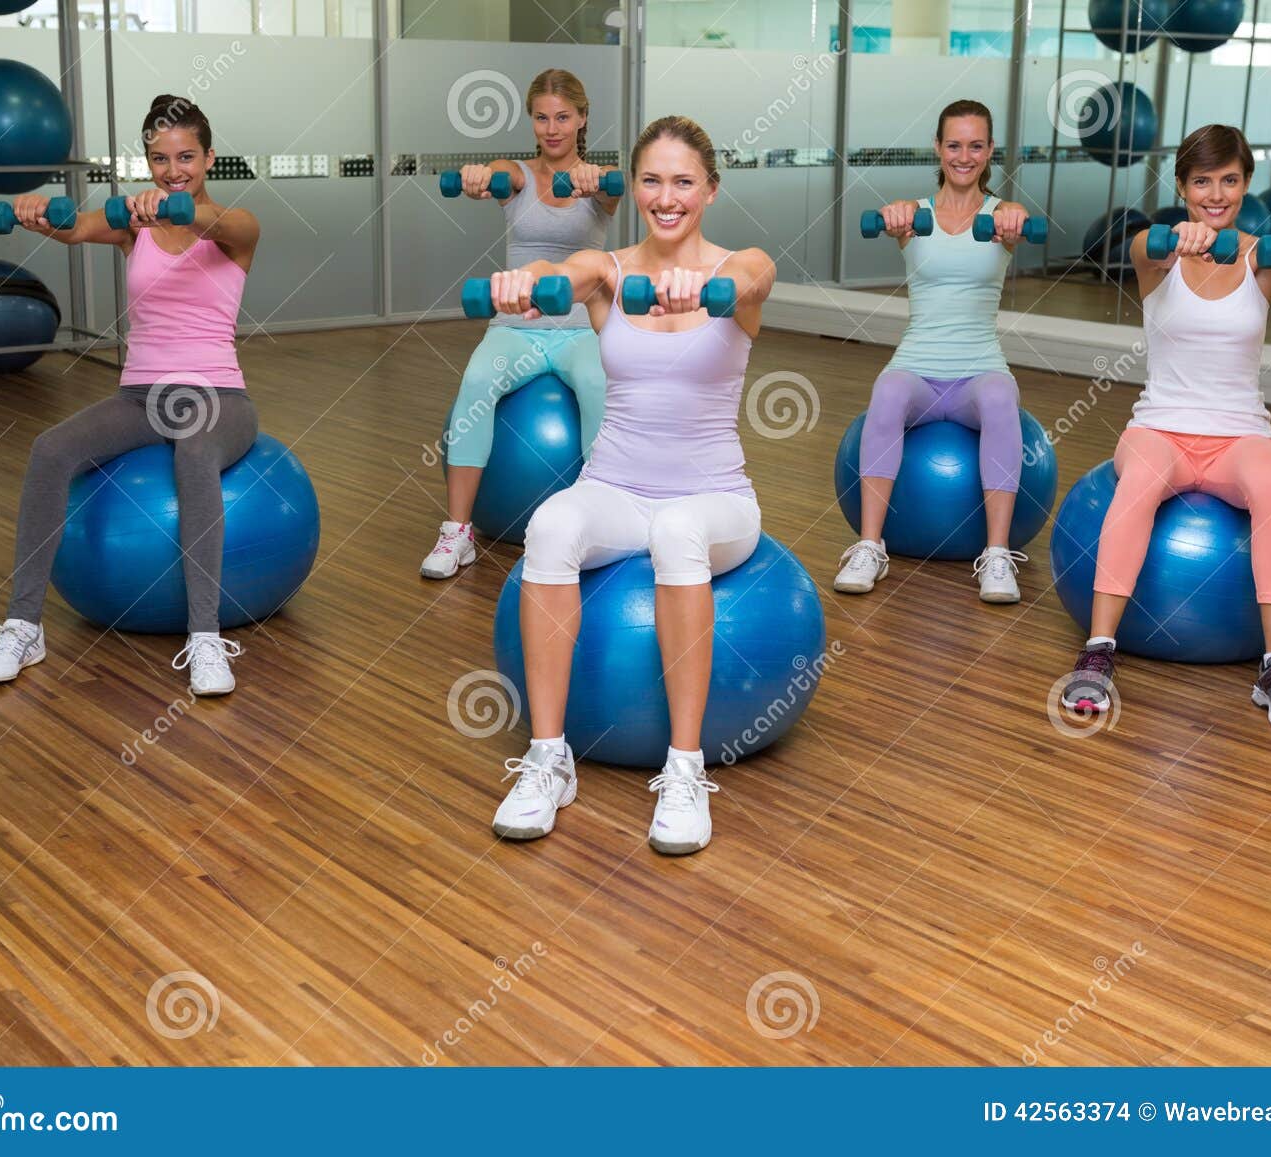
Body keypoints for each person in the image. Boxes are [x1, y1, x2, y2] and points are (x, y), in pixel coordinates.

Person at [480, 116, 775, 854]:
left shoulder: (744, 266)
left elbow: (749, 280)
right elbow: (568, 277)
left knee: (678, 531)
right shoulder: (609, 270)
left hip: (715, 499)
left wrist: (701, 286)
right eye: (651, 180)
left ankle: (683, 770)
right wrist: (528, 283)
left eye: (683, 181)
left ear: (710, 188)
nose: (665, 197)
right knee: (550, 522)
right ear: (634, 185)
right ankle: (550, 760)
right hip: (617, 484)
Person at [0, 94, 260, 697]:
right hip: (140, 396)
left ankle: (204, 638)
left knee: (196, 454)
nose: (173, 169)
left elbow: (216, 222)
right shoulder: (135, 223)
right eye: (159, 158)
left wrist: (174, 209)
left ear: (209, 158)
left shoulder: (238, 227)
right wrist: (37, 213)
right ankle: (24, 626)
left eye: (186, 157)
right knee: (51, 450)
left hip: (219, 396)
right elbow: (74, 227)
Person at [1060, 123, 1271, 732]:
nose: (1216, 194)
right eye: (1202, 181)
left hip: (1240, 434)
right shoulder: (1153, 253)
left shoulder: (1262, 257)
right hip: (1161, 427)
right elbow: (1148, 251)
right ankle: (1099, 652)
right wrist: (1173, 239)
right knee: (1137, 486)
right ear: (1181, 186)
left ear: (1246, 184)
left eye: (1229, 180)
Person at [420, 68, 621, 579]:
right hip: (517, 327)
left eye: (562, 117)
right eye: (540, 117)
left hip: (581, 329)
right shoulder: (519, 174)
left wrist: (595, 181)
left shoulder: (598, 181)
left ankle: (605, 525)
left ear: (581, 119)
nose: (551, 128)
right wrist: (477, 177)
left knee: (602, 385)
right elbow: (498, 175)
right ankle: (458, 533)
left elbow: (610, 188)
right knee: (476, 381)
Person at [834, 98, 1036, 604]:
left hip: (979, 370)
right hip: (918, 367)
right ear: (937, 149)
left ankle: (995, 555)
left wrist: (1015, 214)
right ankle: (869, 545)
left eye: (975, 145)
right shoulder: (912, 217)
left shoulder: (1002, 218)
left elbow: (1017, 213)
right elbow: (893, 215)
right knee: (886, 391)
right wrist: (892, 212)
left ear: (990, 151)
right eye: (953, 145)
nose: (963, 156)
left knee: (999, 399)